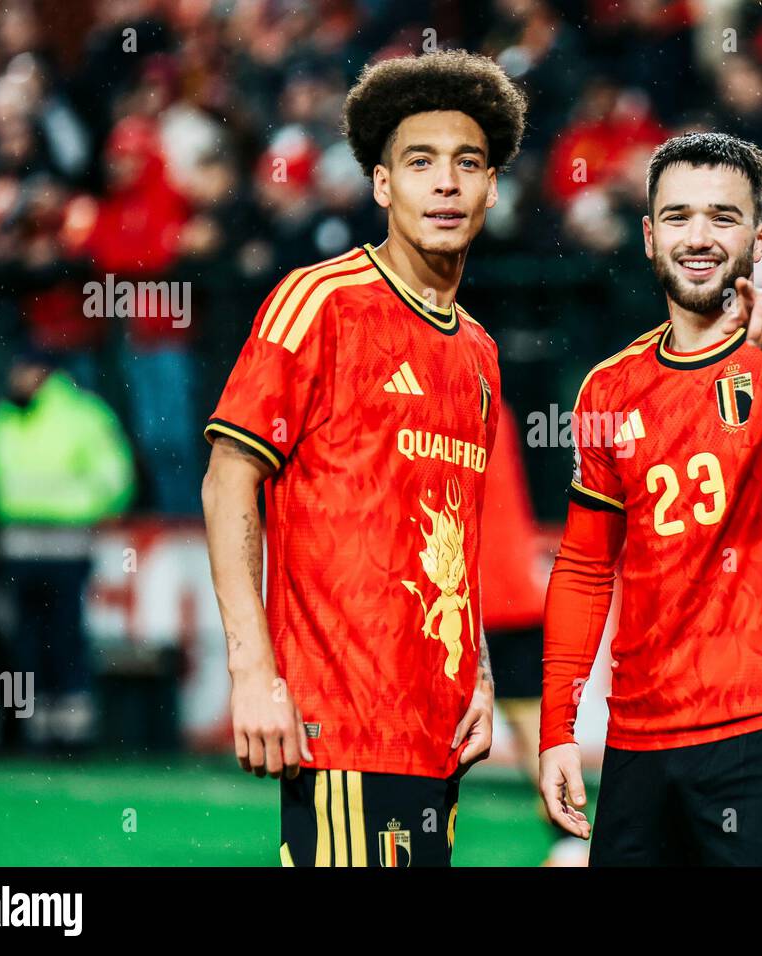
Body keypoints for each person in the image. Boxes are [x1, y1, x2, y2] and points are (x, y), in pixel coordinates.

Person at [201, 51, 526, 868]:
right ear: (382, 186)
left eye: (467, 165)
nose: (445, 184)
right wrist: (253, 674)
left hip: (437, 734)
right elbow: (229, 480)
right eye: (420, 164)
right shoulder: (321, 303)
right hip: (337, 727)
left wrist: (479, 673)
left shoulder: (481, 353)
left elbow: (457, 533)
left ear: (491, 189)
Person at [537, 132, 762, 866]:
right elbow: (587, 566)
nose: (700, 237)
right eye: (678, 217)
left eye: (724, 217)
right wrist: (558, 725)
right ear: (650, 235)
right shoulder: (607, 390)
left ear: (761, 236)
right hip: (637, 746)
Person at [0, 350, 136, 751]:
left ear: (42, 371)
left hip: (64, 544)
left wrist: (82, 509)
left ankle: (70, 731)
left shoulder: (79, 415)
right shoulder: (9, 417)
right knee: (31, 640)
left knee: (59, 638)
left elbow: (114, 477)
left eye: (24, 369)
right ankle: (35, 729)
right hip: (21, 546)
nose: (16, 377)